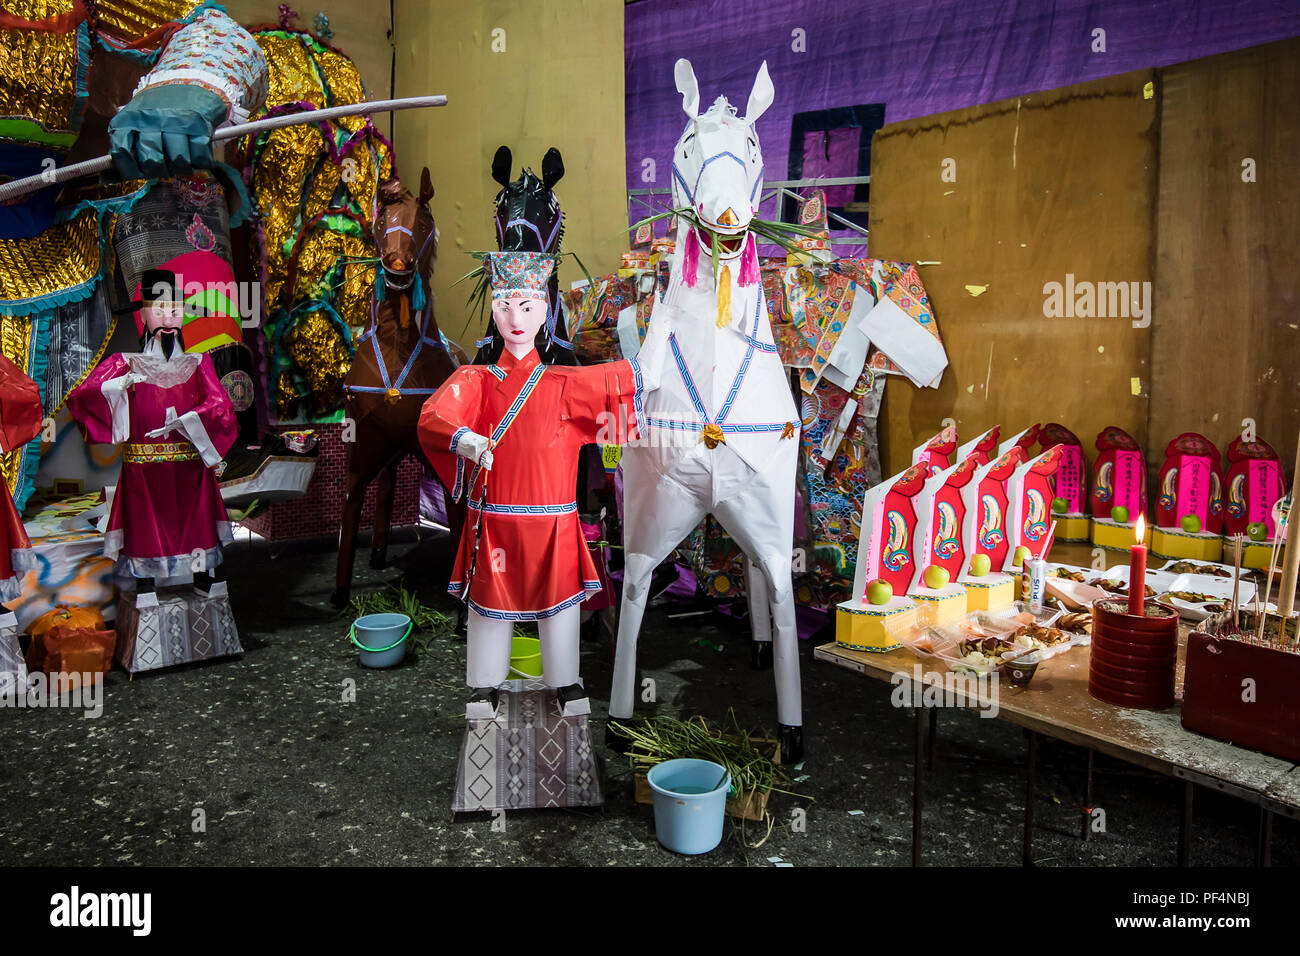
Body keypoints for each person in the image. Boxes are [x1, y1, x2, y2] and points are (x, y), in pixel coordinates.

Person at [419, 252, 647, 718]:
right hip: (495, 520)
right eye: (504, 307)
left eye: (526, 307)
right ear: (494, 312)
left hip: (553, 520)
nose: (515, 319)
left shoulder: (567, 382)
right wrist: (465, 439)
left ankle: (566, 682)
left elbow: (627, 381)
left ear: (544, 311)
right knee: (489, 600)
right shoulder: (474, 379)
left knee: (559, 601)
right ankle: (484, 686)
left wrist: (663, 329)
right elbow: (433, 417)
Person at [66, 270, 237, 591]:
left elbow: (221, 407)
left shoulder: (198, 362)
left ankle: (202, 577)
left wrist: (189, 420)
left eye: (175, 311)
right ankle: (145, 583)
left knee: (194, 525)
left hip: (189, 467)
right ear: (143, 316)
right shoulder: (126, 363)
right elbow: (82, 395)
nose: (168, 320)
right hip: (143, 469)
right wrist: (118, 386)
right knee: (145, 528)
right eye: (159, 311)